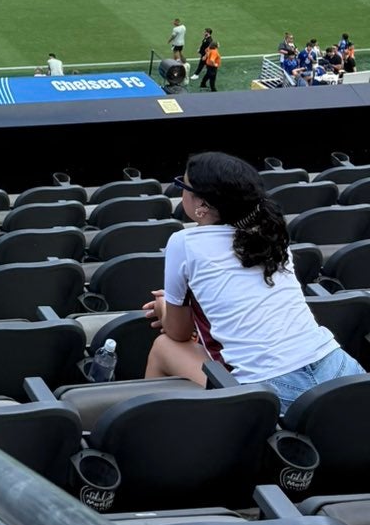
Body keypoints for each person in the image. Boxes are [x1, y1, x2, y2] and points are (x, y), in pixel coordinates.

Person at [146, 153, 363, 403]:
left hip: (275, 390)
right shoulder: (272, 232)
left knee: (164, 346)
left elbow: (178, 333)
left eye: (182, 186)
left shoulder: (183, 243)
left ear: (202, 205)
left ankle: (151, 432)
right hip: (341, 370)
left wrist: (164, 309)